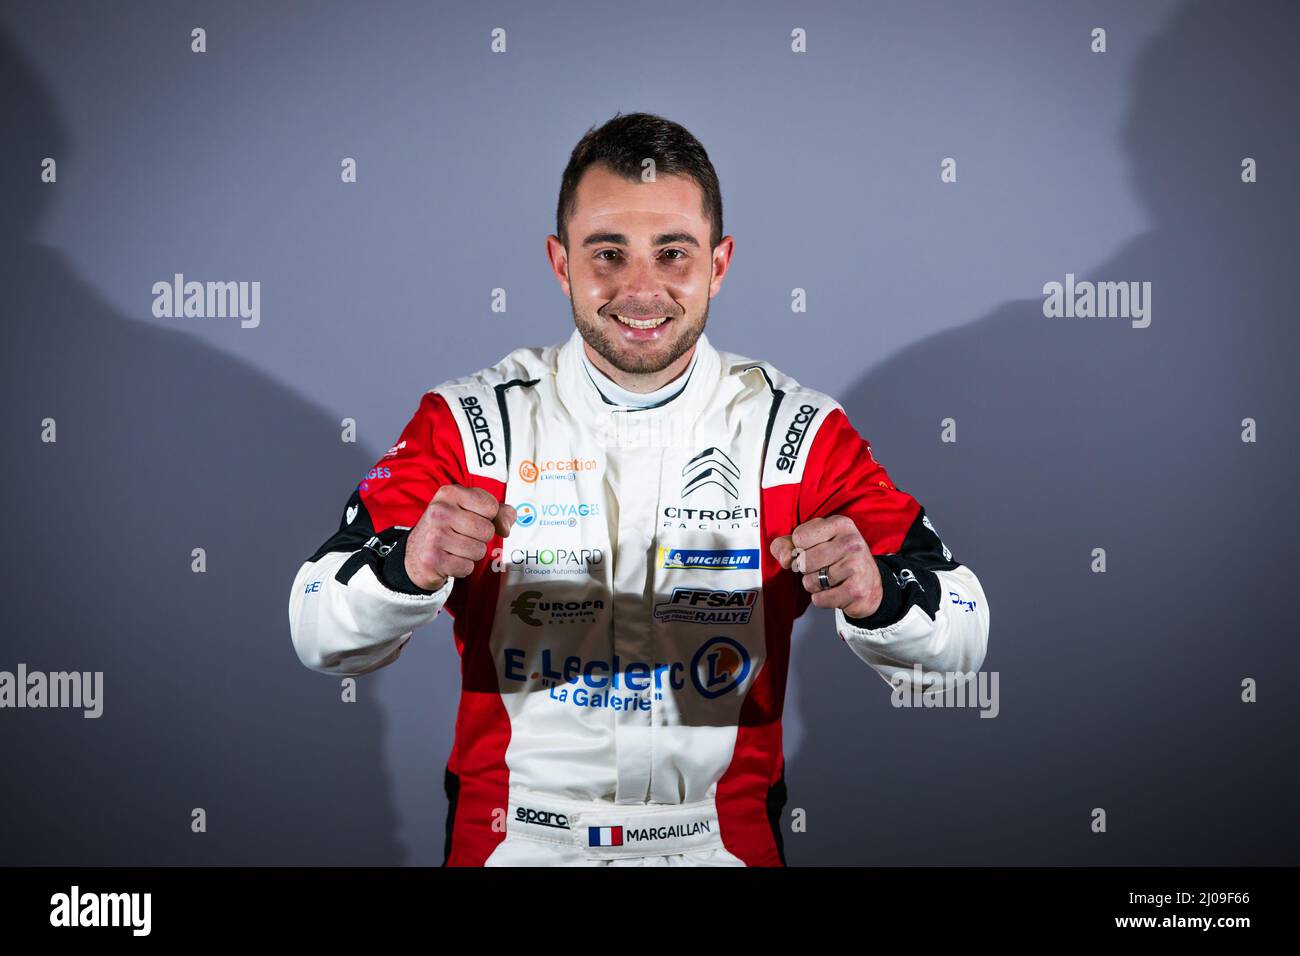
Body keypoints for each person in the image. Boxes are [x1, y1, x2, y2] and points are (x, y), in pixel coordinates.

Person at [288, 112, 990, 866]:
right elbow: (317, 630)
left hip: (719, 841)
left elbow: (964, 636)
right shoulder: (470, 423)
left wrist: (879, 592)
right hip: (514, 840)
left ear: (719, 264)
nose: (641, 289)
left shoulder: (797, 435)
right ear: (561, 263)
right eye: (608, 254)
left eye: (673, 254)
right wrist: (406, 569)